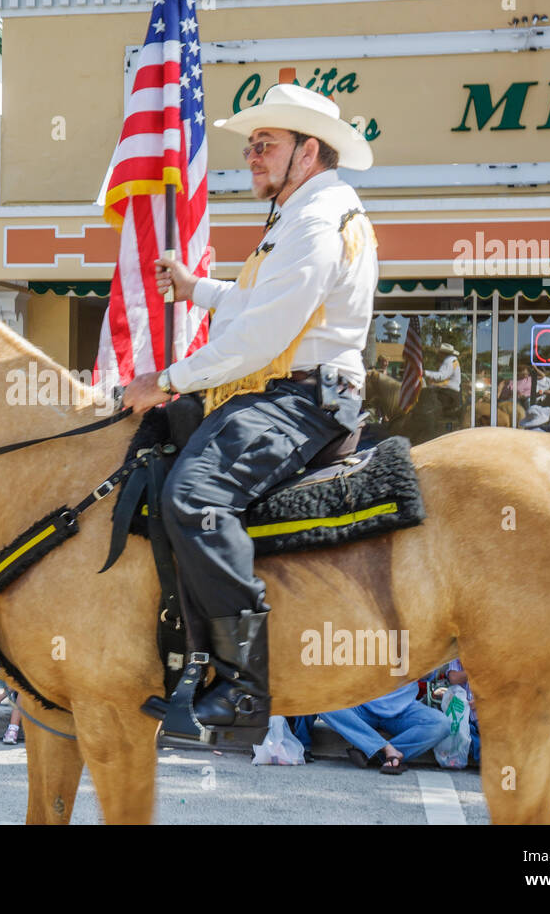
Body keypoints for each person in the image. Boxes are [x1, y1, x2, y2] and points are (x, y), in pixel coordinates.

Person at [124, 83, 375, 732]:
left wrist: (168, 378)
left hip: (305, 399)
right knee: (150, 449)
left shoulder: (317, 221)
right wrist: (193, 288)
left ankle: (242, 684)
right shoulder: (301, 214)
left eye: (265, 144)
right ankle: (184, 652)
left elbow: (261, 337)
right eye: (251, 145)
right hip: (288, 391)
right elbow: (254, 304)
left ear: (308, 150)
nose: (252, 156)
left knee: (193, 498)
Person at [320, 681, 452, 773]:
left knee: (441, 723)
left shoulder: (414, 642)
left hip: (404, 710)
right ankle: (386, 749)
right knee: (321, 704)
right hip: (361, 706)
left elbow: (428, 672)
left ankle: (374, 754)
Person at [424, 342, 461, 415]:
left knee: (426, 400)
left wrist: (425, 373)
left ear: (443, 353)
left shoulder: (449, 361)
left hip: (448, 393)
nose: (438, 354)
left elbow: (442, 376)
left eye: (440, 352)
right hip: (451, 392)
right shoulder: (453, 360)